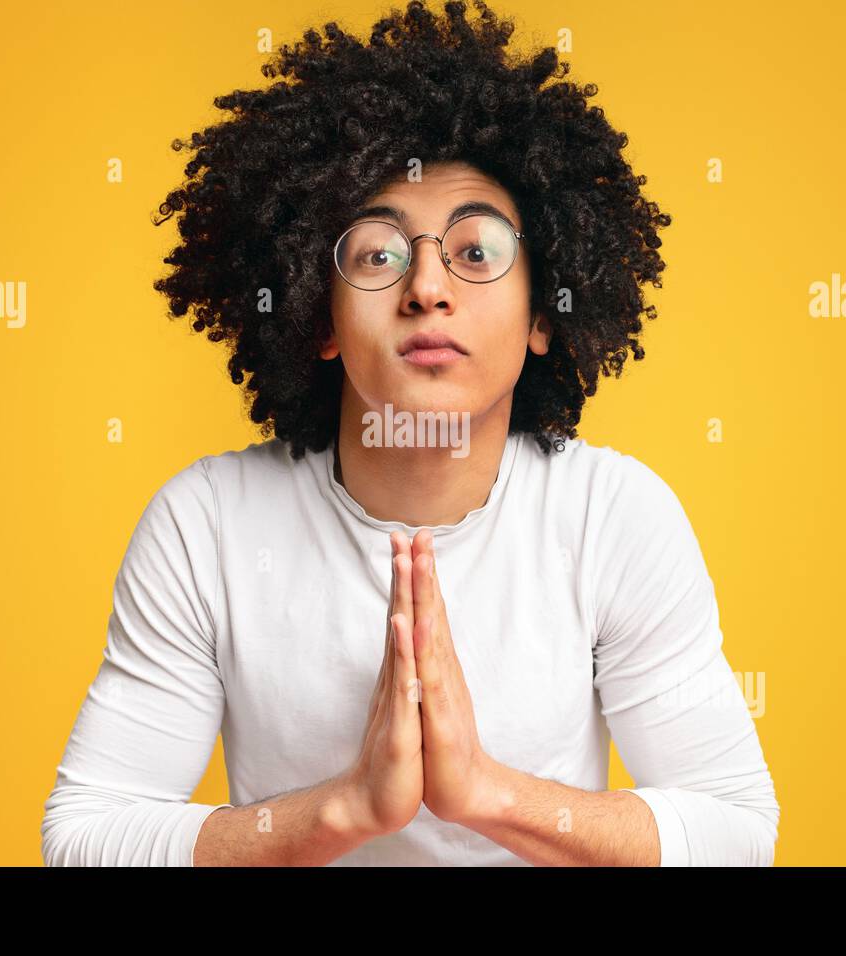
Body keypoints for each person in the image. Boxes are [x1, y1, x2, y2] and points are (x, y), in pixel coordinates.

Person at [40, 0, 779, 866]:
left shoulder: (614, 518)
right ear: (320, 319)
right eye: (379, 254)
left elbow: (737, 832)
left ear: (543, 314)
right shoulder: (205, 525)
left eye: (475, 252)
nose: (427, 286)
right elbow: (83, 837)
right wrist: (343, 811)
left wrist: (485, 793)